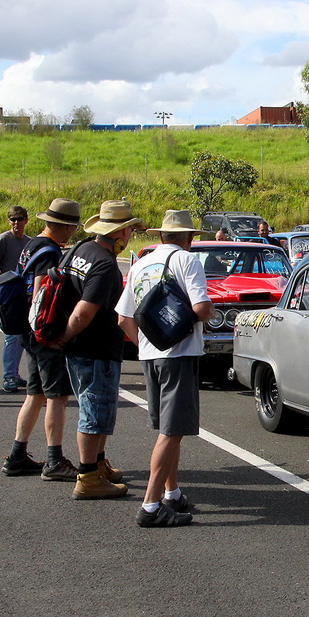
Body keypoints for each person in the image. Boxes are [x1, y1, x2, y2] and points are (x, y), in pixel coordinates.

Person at [115, 210, 214, 528]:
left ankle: (172, 492)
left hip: (150, 356)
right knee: (172, 432)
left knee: (167, 429)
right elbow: (201, 309)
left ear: (161, 236)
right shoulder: (188, 261)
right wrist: (209, 312)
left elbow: (123, 319)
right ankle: (150, 504)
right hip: (180, 355)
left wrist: (147, 344)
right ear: (189, 238)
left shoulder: (141, 264)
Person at [56, 200, 142, 500]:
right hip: (94, 349)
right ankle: (88, 475)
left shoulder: (81, 249)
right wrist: (64, 337)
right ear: (120, 233)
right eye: (129, 229)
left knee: (99, 410)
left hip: (84, 349)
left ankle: (98, 463)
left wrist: (63, 340)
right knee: (93, 413)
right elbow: (82, 313)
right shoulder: (105, 265)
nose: (131, 234)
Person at [1, 199, 84, 478]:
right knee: (56, 396)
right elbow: (41, 292)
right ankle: (54, 459)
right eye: (72, 226)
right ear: (66, 226)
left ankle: (17, 454)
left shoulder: (32, 244)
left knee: (34, 394)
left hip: (27, 329)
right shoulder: (48, 251)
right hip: (42, 331)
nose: (73, 232)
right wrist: (50, 333)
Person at [0, 205, 31, 392]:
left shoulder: (28, 242)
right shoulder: (3, 239)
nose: (16, 223)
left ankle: (14, 373)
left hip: (23, 294)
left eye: (19, 219)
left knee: (21, 335)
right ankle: (8, 377)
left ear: (26, 221)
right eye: (12, 219)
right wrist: (1, 287)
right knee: (11, 337)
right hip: (9, 294)